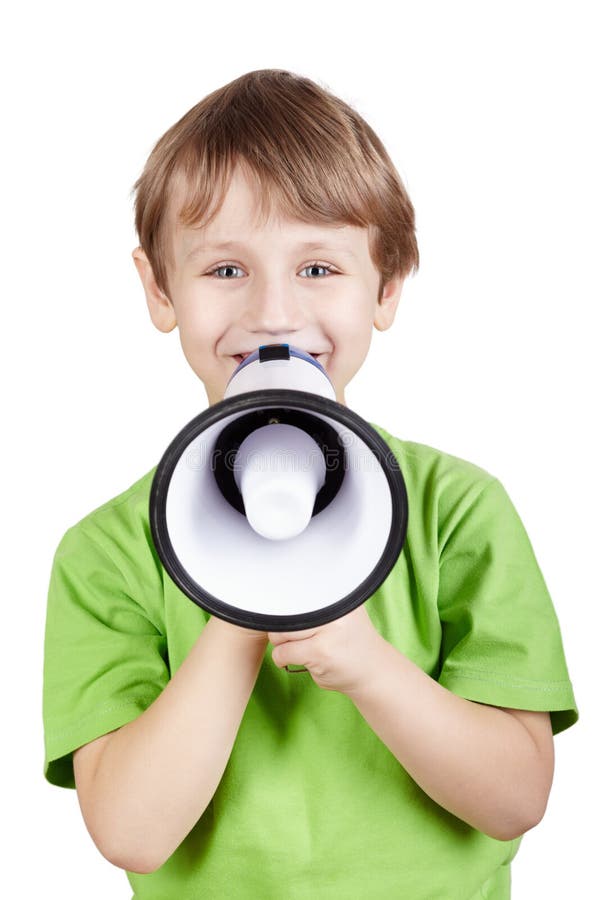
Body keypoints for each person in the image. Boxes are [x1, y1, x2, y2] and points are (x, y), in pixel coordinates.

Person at [42, 68, 578, 899]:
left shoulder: (459, 509)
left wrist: (363, 657)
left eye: (319, 268)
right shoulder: (105, 552)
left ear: (387, 286)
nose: (275, 314)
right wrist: (243, 603)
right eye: (225, 269)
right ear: (159, 289)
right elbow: (133, 834)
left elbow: (516, 798)